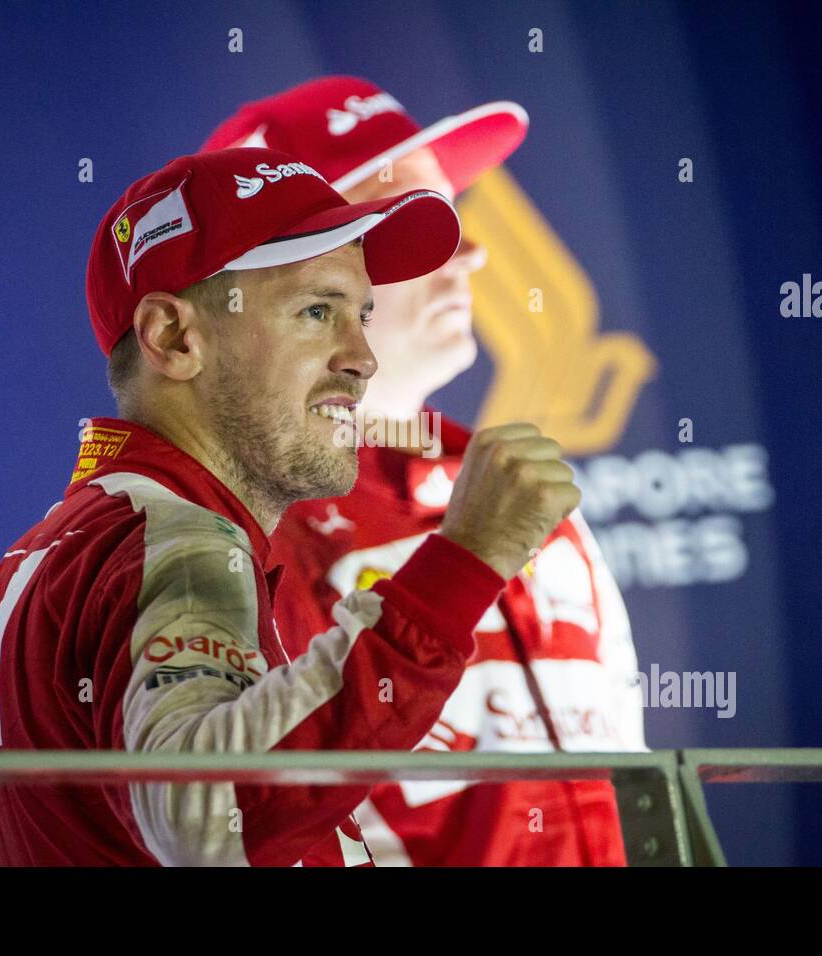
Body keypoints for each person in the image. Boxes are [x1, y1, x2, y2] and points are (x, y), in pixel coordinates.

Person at [0, 146, 583, 867]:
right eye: (315, 310)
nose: (361, 357)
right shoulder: (172, 541)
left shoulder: (39, 561)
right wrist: (461, 567)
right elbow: (215, 811)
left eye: (360, 314)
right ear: (174, 339)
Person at [203, 78, 646, 866]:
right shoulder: (235, 520)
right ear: (285, 276)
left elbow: (625, 764)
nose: (472, 251)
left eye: (455, 217)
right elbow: (240, 814)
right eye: (416, 225)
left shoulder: (519, 478)